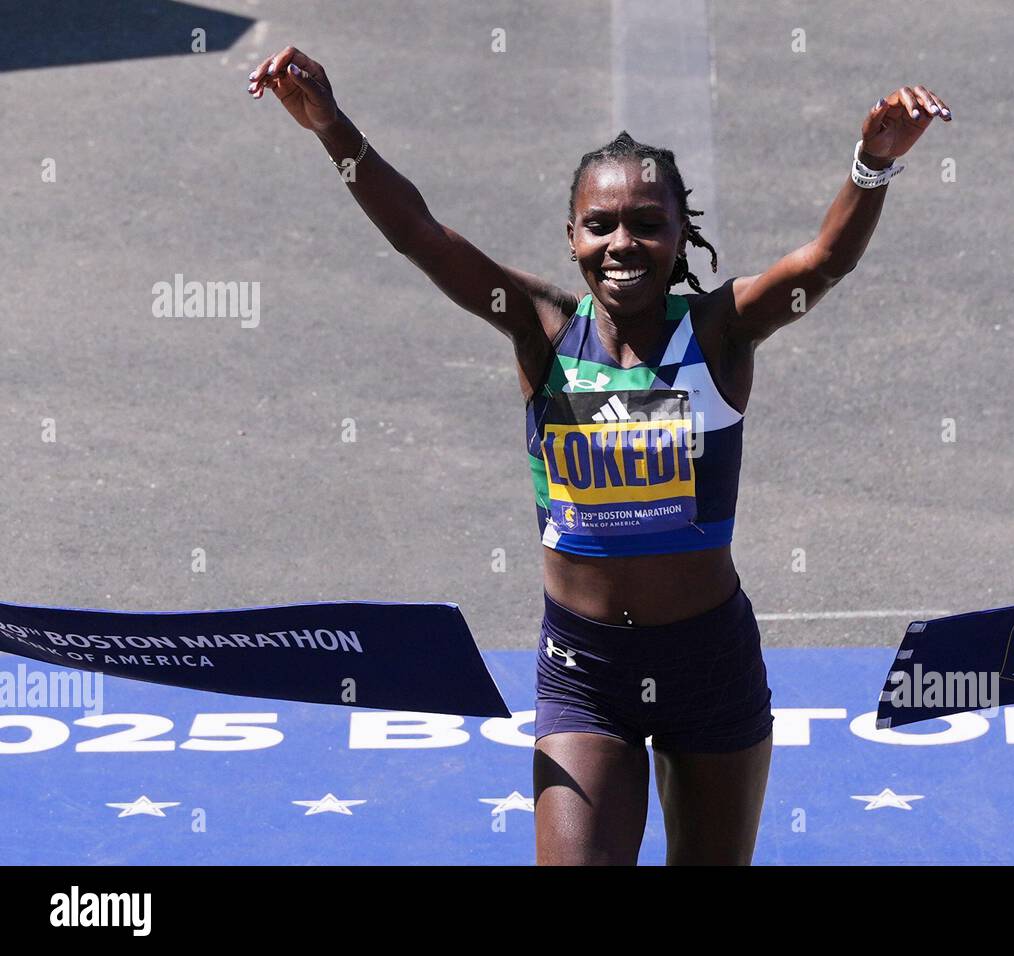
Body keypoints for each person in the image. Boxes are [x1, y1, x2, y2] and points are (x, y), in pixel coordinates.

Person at [248, 46, 950, 865]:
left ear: (683, 232)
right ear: (572, 237)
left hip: (711, 667)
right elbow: (419, 234)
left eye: (649, 224)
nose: (625, 243)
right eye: (602, 225)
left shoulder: (719, 330)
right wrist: (333, 128)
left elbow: (824, 263)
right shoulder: (540, 329)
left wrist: (873, 164)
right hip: (585, 674)